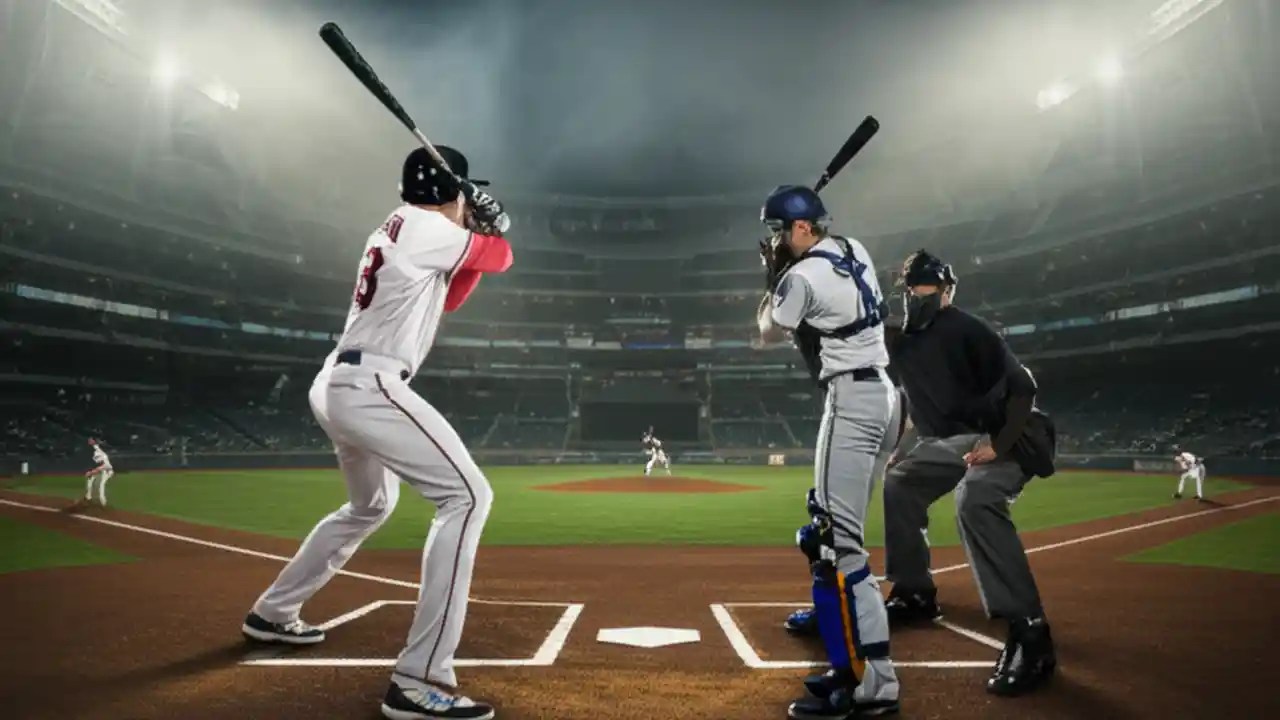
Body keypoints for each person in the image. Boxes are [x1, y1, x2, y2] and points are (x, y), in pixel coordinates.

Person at [240, 146, 512, 720]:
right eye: (465, 193)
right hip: (371, 385)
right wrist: (493, 226)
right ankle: (420, 678)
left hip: (342, 382)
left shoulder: (406, 229)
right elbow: (502, 256)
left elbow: (455, 295)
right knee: (467, 496)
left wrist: (480, 228)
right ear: (449, 191)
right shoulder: (426, 227)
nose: (469, 204)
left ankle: (273, 612)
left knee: (370, 505)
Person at [881, 250, 1058, 697]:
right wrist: (902, 450)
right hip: (953, 441)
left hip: (1011, 434)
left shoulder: (968, 329)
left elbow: (1024, 387)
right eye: (911, 289)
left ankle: (1030, 632)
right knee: (899, 482)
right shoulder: (903, 342)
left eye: (927, 289)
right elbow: (916, 405)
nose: (918, 296)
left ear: (947, 291)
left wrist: (998, 444)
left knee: (974, 500)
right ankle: (914, 592)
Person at [756, 185, 901, 719]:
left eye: (779, 231)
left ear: (800, 228)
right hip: (886, 395)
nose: (775, 241)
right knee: (826, 540)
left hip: (851, 399)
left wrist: (773, 277)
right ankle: (848, 662)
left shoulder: (801, 277)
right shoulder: (853, 248)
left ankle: (873, 683)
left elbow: (768, 332)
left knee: (841, 545)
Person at [83, 438, 113, 507]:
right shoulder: (98, 450)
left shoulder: (103, 456)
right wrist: (92, 442)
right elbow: (95, 445)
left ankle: (103, 502)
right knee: (90, 480)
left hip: (107, 471)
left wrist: (91, 472)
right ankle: (88, 497)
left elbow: (102, 467)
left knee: (101, 485)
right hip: (100, 469)